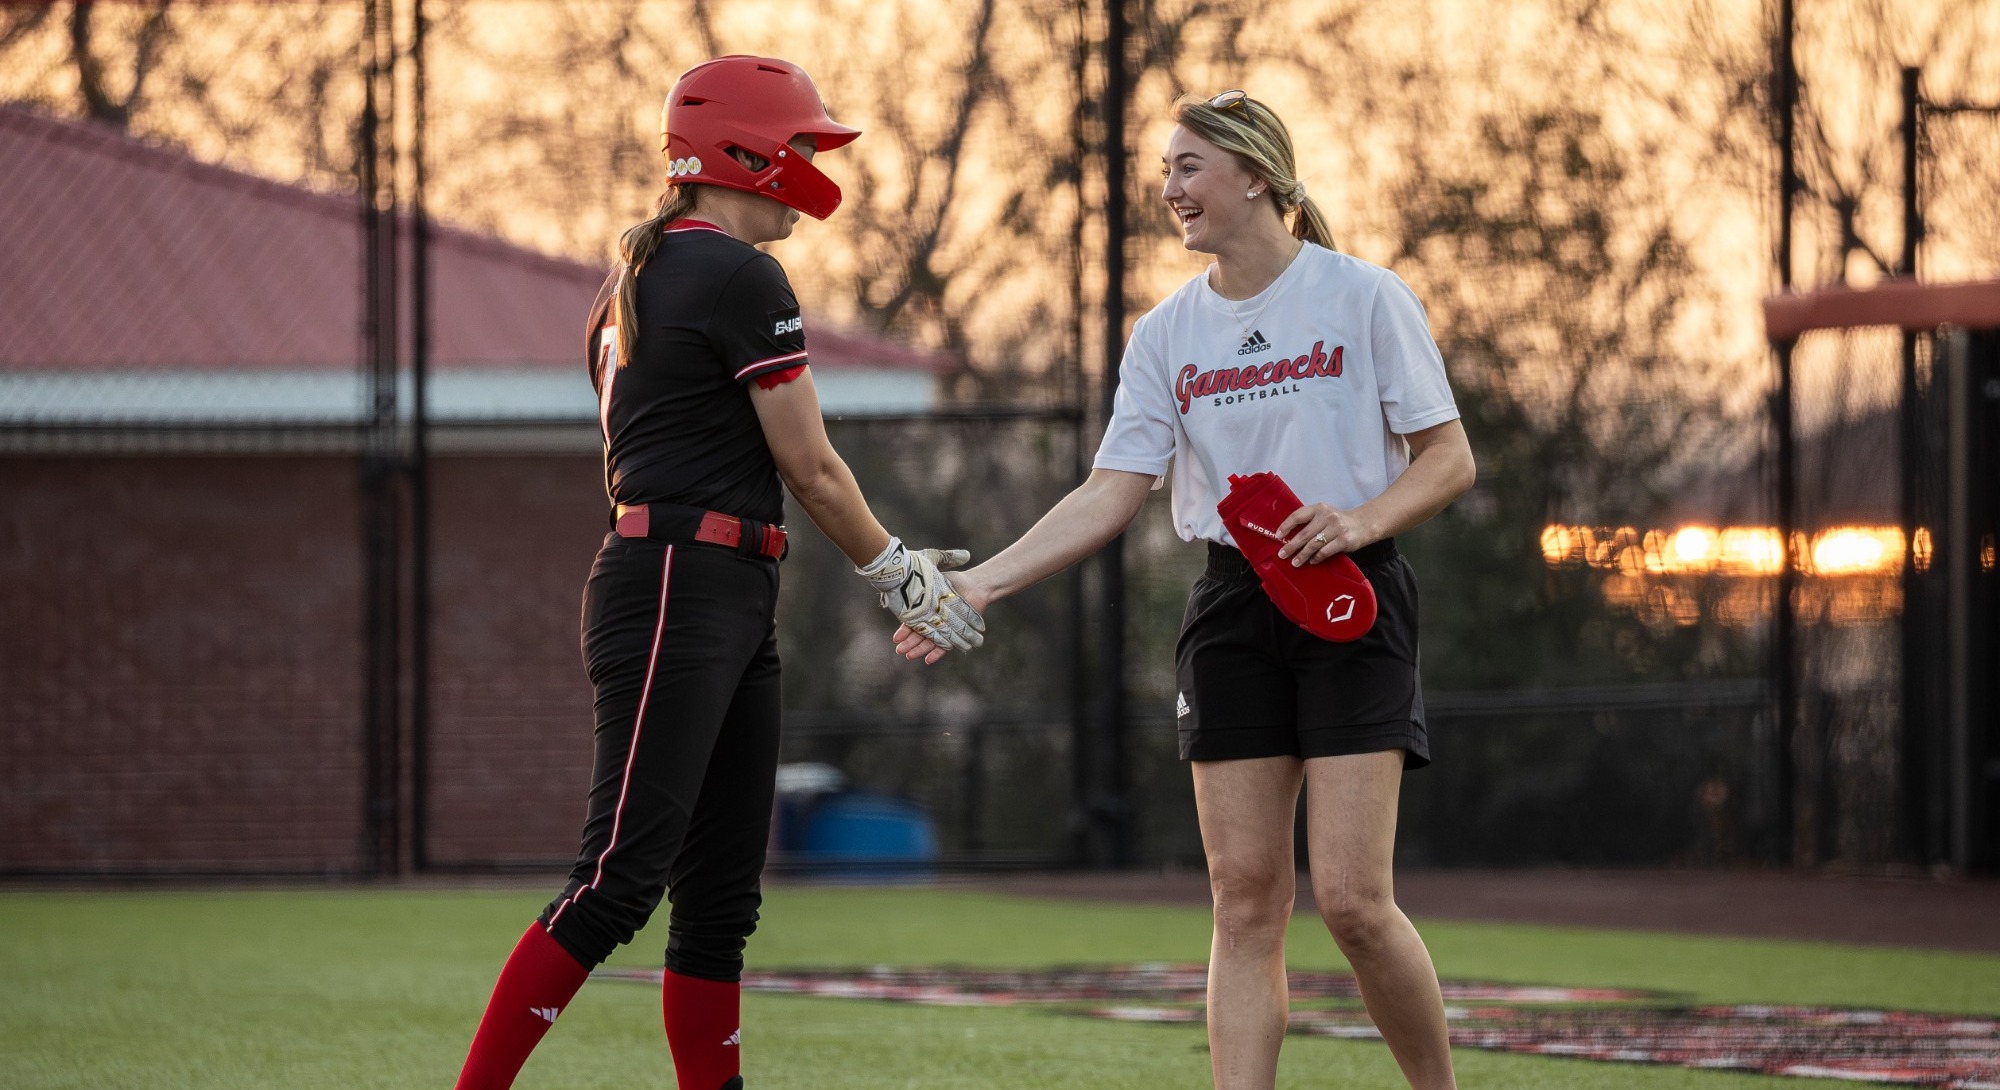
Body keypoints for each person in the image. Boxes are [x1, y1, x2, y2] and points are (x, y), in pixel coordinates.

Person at [897, 89, 1473, 1090]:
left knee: (1349, 899)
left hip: (1350, 596)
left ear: (1255, 175)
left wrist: (1358, 520)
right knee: (1244, 899)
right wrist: (981, 586)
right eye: (1164, 171)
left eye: (1187, 167)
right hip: (1231, 608)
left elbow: (1448, 458)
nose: (1169, 189)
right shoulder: (1165, 335)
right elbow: (1111, 490)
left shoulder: (1363, 297)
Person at [450, 56, 983, 1090]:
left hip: (719, 587)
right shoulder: (735, 273)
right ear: (743, 149)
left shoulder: (647, 277)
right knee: (616, 881)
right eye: (801, 141)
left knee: (720, 900)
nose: (813, 162)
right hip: (676, 584)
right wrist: (897, 573)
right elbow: (812, 464)